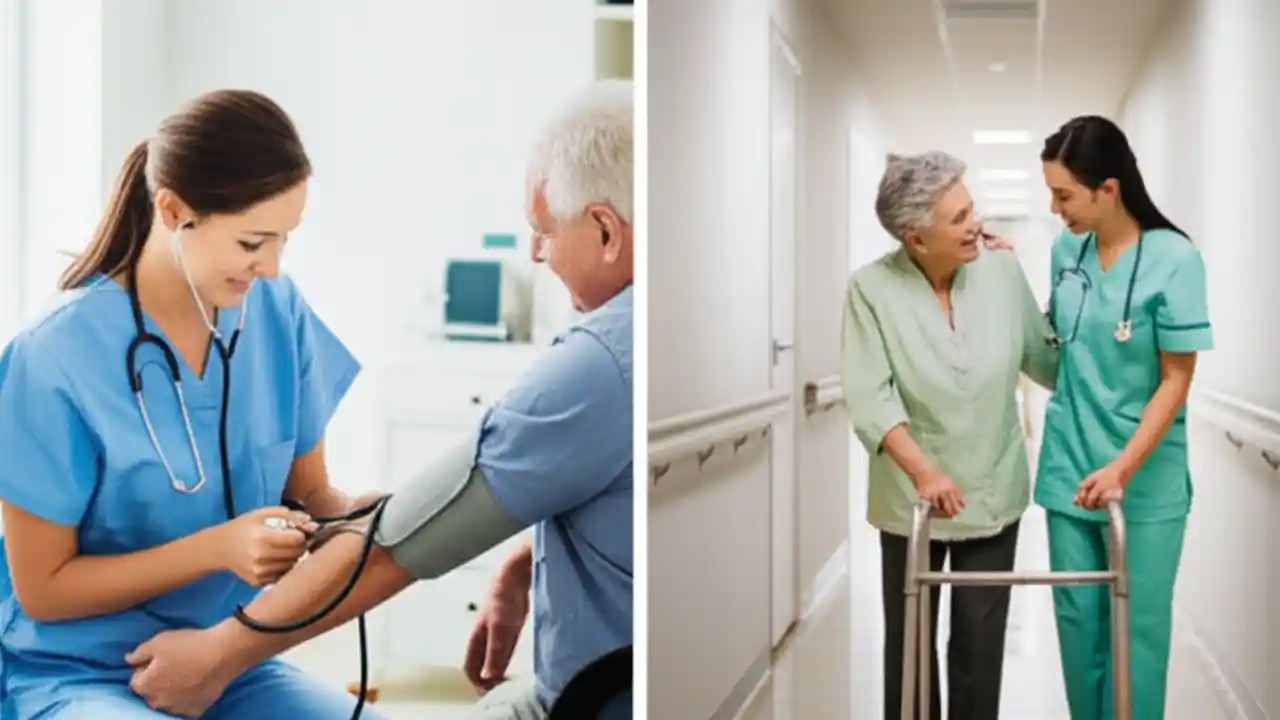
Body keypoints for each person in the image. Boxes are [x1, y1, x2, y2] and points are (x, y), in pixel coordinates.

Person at [123, 79, 635, 720]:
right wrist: (526, 561)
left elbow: (397, 542)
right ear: (173, 214)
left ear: (606, 232)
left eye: (544, 232)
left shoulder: (600, 362)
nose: (535, 253)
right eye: (254, 243)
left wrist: (220, 653)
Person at [0, 89, 381, 718]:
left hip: (226, 660)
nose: (273, 269)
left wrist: (366, 518)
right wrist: (218, 548)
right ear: (174, 211)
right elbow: (42, 590)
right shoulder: (53, 359)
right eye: (253, 243)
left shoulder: (277, 314)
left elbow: (314, 494)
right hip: (79, 672)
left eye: (286, 240)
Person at [841, 151, 1058, 720]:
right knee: (911, 649)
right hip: (911, 502)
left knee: (978, 653)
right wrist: (924, 472)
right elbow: (870, 394)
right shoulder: (870, 290)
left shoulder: (1000, 270)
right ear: (916, 238)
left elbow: (1046, 360)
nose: (976, 225)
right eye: (959, 218)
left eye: (972, 210)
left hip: (991, 489)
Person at [1036, 115, 1212, 720]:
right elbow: (1056, 349)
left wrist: (1123, 468)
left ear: (1107, 188)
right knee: (1078, 629)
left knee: (1135, 635)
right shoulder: (1065, 249)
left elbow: (1177, 377)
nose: (1055, 208)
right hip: (1068, 473)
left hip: (1143, 483)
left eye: (1064, 195)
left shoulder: (1175, 258)